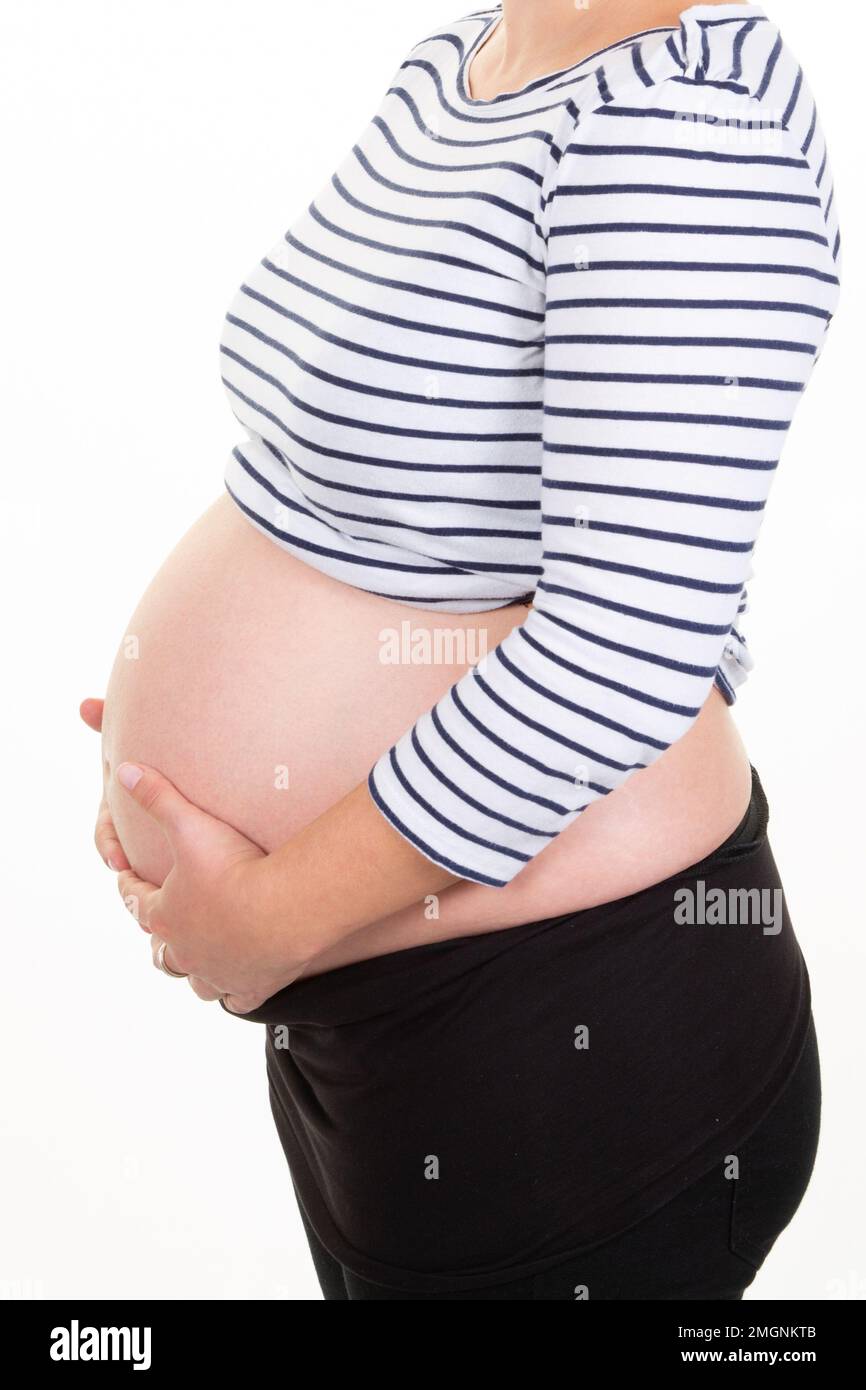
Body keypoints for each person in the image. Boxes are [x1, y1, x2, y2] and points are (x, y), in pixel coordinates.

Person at [81, 1, 839, 1299]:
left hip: (562, 1039)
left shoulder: (688, 120)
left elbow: (626, 643)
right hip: (400, 1014)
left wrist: (267, 914)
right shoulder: (469, 57)